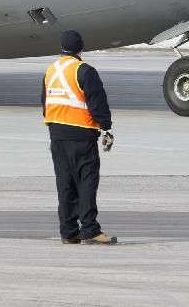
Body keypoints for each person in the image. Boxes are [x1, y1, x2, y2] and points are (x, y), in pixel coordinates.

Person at [42, 29, 117, 245]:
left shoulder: (51, 70)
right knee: (87, 182)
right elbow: (97, 102)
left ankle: (68, 231)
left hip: (57, 135)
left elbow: (45, 102)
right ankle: (90, 230)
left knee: (65, 184)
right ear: (81, 48)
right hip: (81, 135)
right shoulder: (84, 71)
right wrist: (107, 128)